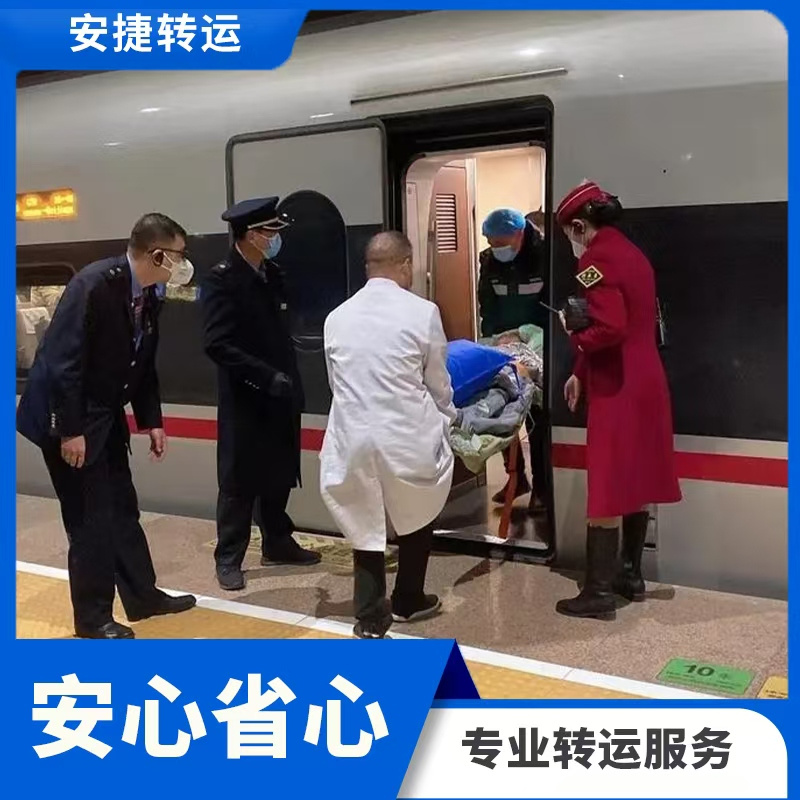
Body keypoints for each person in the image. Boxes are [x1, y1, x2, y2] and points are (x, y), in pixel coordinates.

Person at [16, 213, 197, 639]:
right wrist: (70, 430)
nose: (184, 263)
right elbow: (62, 362)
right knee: (90, 519)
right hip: (68, 415)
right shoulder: (94, 285)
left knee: (122, 508)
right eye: (179, 254)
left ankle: (143, 597)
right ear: (157, 255)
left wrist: (151, 421)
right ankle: (92, 618)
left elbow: (142, 361)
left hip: (104, 413)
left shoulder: (149, 292)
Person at [554, 180, 682, 620]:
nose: (571, 241)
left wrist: (574, 335)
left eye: (569, 232)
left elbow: (608, 327)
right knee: (635, 474)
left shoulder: (595, 259)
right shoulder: (632, 252)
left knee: (608, 479)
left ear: (579, 226)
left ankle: (598, 592)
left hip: (618, 385)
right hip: (645, 378)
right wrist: (579, 370)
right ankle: (630, 574)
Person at [320, 231, 457, 639]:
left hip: (351, 433)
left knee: (364, 516)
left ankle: (369, 614)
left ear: (369, 267)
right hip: (405, 431)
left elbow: (336, 382)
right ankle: (409, 598)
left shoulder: (336, 316)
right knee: (419, 505)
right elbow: (437, 379)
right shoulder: (423, 312)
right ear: (405, 264)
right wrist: (447, 416)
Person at [202, 197, 321, 592]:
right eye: (271, 232)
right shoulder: (222, 280)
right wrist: (264, 377)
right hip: (246, 395)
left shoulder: (272, 274)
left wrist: (287, 383)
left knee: (279, 471)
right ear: (251, 235)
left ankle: (277, 540)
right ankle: (228, 556)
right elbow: (217, 344)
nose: (275, 239)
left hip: (281, 391)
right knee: (239, 479)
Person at [477, 207, 549, 512]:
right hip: (503, 344)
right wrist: (493, 341)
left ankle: (543, 488)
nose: (496, 248)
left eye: (501, 242)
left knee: (537, 418)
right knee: (501, 410)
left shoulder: (545, 256)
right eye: (491, 243)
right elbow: (487, 306)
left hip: (538, 344)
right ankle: (516, 478)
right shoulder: (489, 261)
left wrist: (528, 335)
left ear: (519, 234)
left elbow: (552, 305)